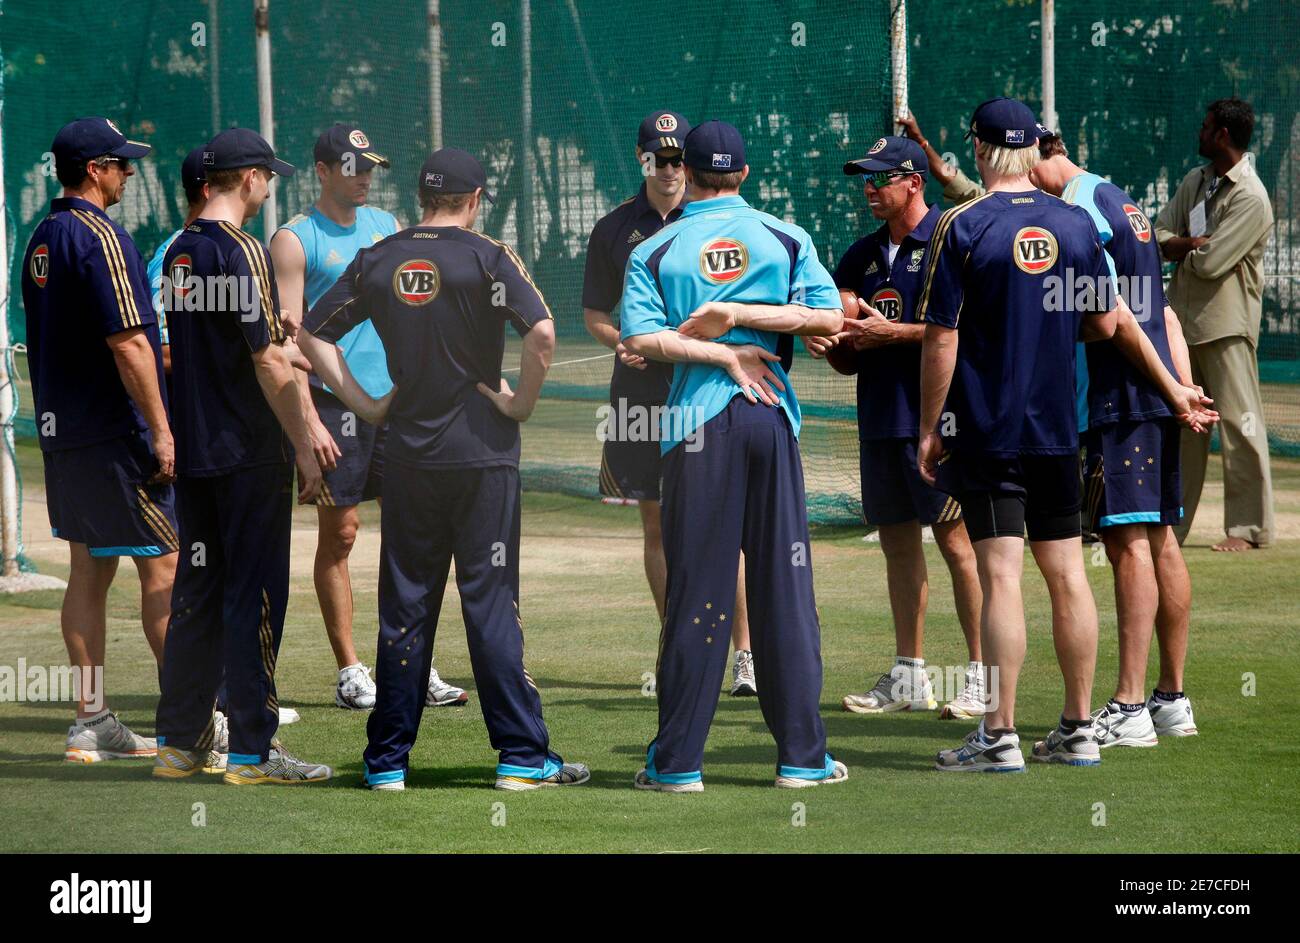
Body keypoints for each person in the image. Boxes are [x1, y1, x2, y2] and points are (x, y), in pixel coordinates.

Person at [917, 99, 1213, 773]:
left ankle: (999, 736)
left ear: (983, 149)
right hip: (1059, 430)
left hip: (991, 432)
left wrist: (931, 428)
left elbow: (941, 337)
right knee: (1068, 573)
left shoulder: (961, 224)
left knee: (1001, 576)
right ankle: (1079, 727)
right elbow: (1107, 323)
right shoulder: (1077, 224)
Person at [298, 148, 588, 792]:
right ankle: (519, 757)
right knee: (489, 601)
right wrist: (521, 403)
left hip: (406, 457)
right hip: (482, 455)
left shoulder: (378, 257)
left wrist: (369, 404)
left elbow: (309, 334)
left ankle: (386, 763)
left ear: (423, 200)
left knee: (406, 603)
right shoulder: (488, 256)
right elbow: (542, 333)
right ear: (476, 198)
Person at [620, 120, 846, 791]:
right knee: (785, 587)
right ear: (744, 173)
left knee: (697, 589)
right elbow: (829, 319)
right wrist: (750, 323)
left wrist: (721, 328)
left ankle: (679, 763)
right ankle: (803, 760)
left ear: (684, 171)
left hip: (697, 429)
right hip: (770, 419)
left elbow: (639, 339)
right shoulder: (785, 236)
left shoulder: (657, 248)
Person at [153, 127, 333, 785]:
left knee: (197, 593)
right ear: (248, 177)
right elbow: (261, 359)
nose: (269, 186)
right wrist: (304, 442)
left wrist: (281, 343)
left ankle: (178, 743)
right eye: (268, 175)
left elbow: (221, 343)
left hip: (198, 452)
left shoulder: (179, 251)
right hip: (248, 453)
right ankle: (253, 750)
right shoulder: (242, 249)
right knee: (253, 596)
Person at [271, 123, 467, 711]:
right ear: (323, 171)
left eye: (369, 168)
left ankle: (414, 660)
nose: (362, 178)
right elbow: (288, 339)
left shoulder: (388, 228)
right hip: (336, 410)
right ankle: (351, 669)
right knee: (343, 533)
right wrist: (306, 422)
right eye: (350, 167)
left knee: (415, 533)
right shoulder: (293, 238)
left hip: (399, 405)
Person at [1031, 133, 1205, 744]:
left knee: (1128, 543)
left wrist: (1043, 325)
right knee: (1159, 538)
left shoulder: (1080, 214)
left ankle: (1129, 706)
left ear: (1038, 155)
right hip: (1152, 397)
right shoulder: (1119, 200)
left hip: (1124, 398)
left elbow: (1114, 319)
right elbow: (1165, 312)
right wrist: (1180, 387)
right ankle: (1170, 698)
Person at [808, 135, 985, 720]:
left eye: (880, 179)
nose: (869, 189)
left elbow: (970, 331)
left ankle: (980, 676)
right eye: (865, 179)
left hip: (941, 425)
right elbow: (847, 355)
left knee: (960, 545)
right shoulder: (859, 256)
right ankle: (910, 676)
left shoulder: (952, 237)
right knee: (898, 544)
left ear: (914, 182)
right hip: (881, 422)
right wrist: (833, 338)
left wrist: (894, 333)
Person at [583, 111, 756, 697]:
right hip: (638, 395)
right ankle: (675, 649)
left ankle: (745, 657)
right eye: (659, 158)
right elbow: (597, 318)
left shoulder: (710, 221)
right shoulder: (612, 229)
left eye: (679, 158)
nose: (671, 168)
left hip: (707, 392)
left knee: (721, 525)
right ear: (641, 160)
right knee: (655, 523)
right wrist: (625, 346)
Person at [21, 116, 178, 764]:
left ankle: (91, 721)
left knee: (90, 566)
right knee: (166, 565)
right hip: (115, 435)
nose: (130, 171)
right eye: (121, 162)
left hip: (62, 431)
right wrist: (163, 430)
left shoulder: (40, 237)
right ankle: (196, 720)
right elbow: (131, 342)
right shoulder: (101, 237)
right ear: (95, 170)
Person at [1156, 97, 1275, 552]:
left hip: (1226, 326)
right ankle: (1174, 526)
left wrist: (1182, 248)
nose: (1200, 133)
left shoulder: (1251, 196)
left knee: (1241, 427)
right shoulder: (1196, 180)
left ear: (1223, 135)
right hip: (1182, 327)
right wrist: (1187, 241)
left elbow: (1210, 262)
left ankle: (1247, 530)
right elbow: (1159, 234)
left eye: (1206, 127)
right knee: (1187, 427)